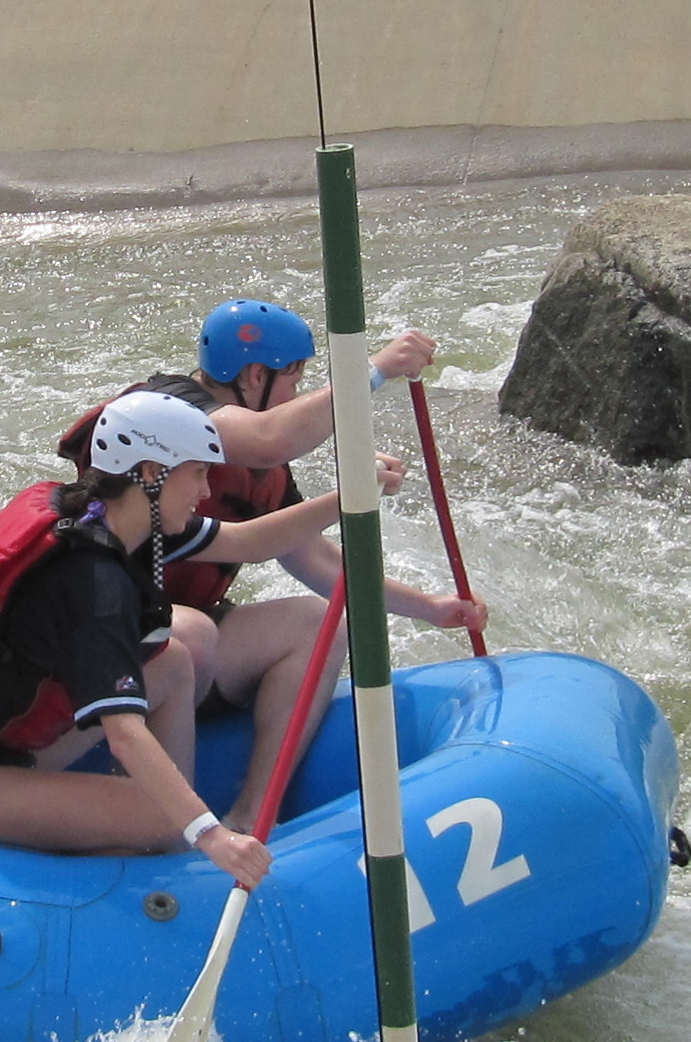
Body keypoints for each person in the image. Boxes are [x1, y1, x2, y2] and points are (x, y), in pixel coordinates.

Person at [0, 391, 358, 876]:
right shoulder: (93, 584)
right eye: (197, 473)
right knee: (169, 820)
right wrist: (213, 836)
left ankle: (152, 839)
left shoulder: (109, 513)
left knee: (171, 661)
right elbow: (123, 735)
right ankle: (157, 844)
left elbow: (250, 542)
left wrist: (346, 498)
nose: (207, 492)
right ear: (150, 472)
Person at [72, 299, 484, 829]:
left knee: (316, 623)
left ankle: (250, 815)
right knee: (192, 635)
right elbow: (269, 439)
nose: (296, 395)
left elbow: (312, 558)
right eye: (293, 380)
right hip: (109, 646)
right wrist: (376, 371)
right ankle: (163, 826)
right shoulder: (162, 415)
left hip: (179, 644)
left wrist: (430, 608)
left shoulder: (258, 470)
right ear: (252, 375)